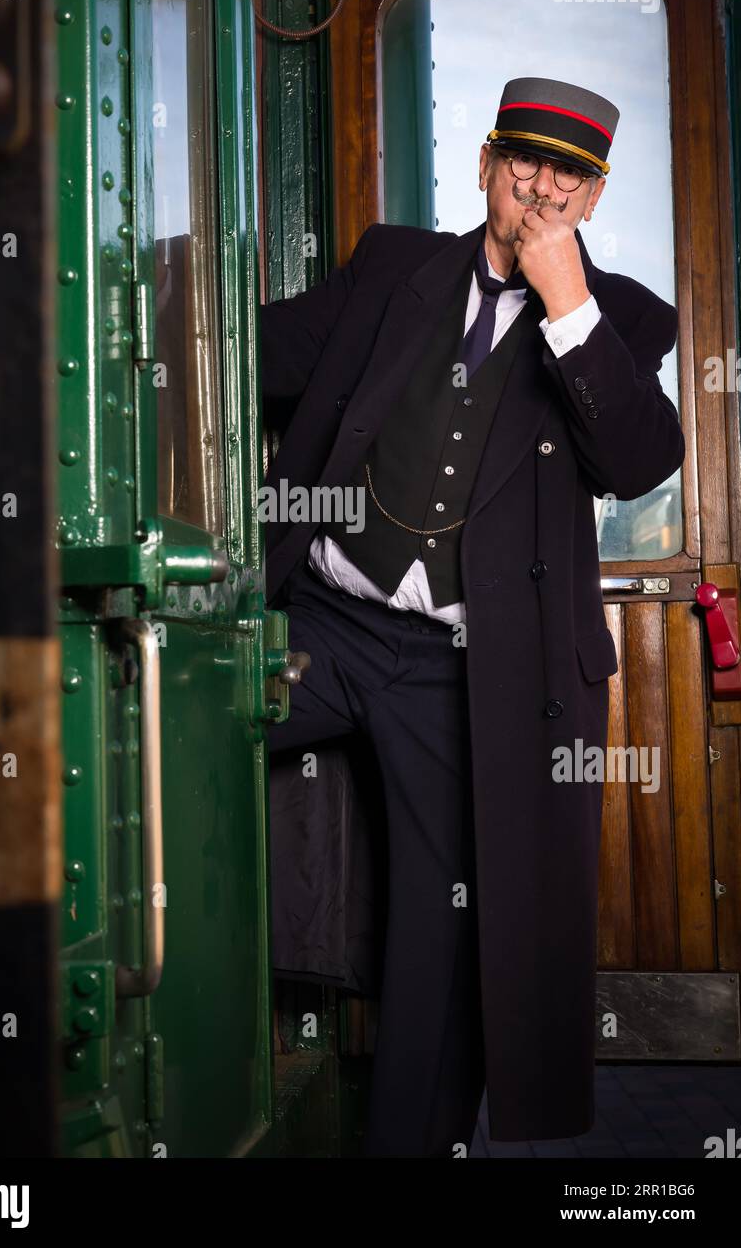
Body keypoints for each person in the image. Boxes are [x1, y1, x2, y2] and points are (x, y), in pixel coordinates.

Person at [260, 77, 686, 1157]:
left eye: (567, 175)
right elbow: (248, 355)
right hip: (326, 621)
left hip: (460, 668)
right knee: (175, 746)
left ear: (591, 196)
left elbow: (638, 459)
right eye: (523, 161)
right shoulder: (393, 267)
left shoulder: (623, 317)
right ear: (487, 161)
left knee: (442, 929)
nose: (540, 187)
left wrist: (565, 300)